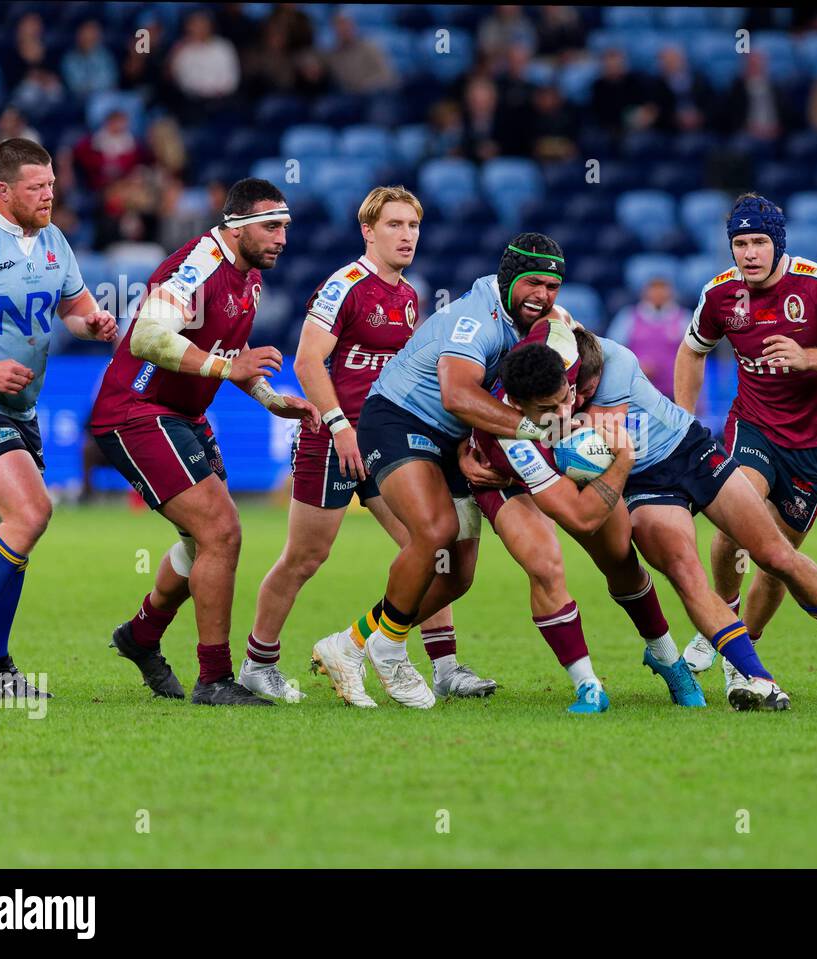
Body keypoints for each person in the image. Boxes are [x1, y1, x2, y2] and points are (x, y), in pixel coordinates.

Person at [251, 186, 496, 706]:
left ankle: (444, 665)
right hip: (333, 439)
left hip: (386, 440)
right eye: (395, 225)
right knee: (305, 557)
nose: (407, 235)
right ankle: (259, 664)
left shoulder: (409, 296)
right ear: (368, 230)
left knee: (429, 548)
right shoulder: (346, 285)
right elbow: (307, 362)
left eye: (413, 226)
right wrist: (339, 426)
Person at [89, 178, 318, 707]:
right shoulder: (197, 264)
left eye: (285, 227)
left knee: (202, 541)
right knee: (222, 531)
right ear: (235, 228)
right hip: (138, 409)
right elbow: (147, 337)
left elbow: (227, 360)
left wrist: (273, 400)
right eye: (271, 226)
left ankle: (141, 636)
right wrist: (229, 366)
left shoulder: (250, 276)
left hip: (185, 413)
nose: (282, 238)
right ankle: (214, 679)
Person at [318, 234, 568, 709]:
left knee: (455, 574)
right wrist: (538, 431)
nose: (543, 293)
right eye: (534, 282)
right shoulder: (477, 319)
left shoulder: (528, 320)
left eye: (553, 285)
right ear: (510, 277)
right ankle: (388, 652)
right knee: (435, 530)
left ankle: (350, 644)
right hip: (397, 419)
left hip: (449, 440)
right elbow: (456, 395)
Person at [673, 194, 817, 705]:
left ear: (778, 244)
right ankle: (725, 621)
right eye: (739, 243)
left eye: (758, 242)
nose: (748, 254)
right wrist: (687, 421)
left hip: (812, 441)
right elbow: (692, 351)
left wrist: (809, 357)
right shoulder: (720, 294)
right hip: (751, 428)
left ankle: (742, 646)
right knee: (735, 528)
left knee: (777, 561)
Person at [0, 137, 118, 699]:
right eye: (37, 188)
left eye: (52, 185)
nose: (49, 196)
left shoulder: (52, 239)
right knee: (33, 510)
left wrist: (93, 323)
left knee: (13, 532)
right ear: (2, 190)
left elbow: (73, 306)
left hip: (21, 405)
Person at [461, 320, 703, 713]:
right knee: (544, 563)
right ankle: (588, 686)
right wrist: (623, 459)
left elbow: (554, 318)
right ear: (520, 407)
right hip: (503, 476)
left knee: (621, 560)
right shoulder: (513, 440)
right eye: (550, 408)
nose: (565, 411)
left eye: (567, 396)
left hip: (563, 455)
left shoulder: (560, 345)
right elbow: (579, 518)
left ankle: (667, 656)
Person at [606, 275, 690, 398]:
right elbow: (612, 352)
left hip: (674, 391)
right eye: (654, 290)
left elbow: (695, 355)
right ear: (645, 293)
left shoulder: (684, 318)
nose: (658, 294)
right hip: (637, 391)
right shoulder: (628, 316)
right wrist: (636, 367)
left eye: (662, 290)